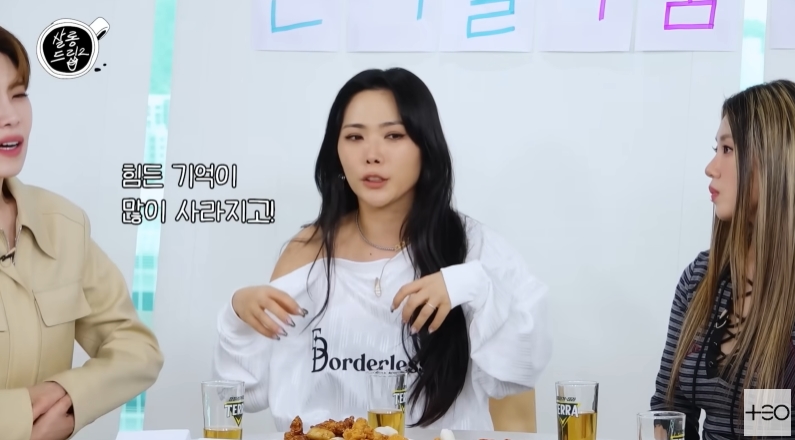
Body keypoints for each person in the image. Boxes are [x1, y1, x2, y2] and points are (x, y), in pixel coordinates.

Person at [212, 68, 552, 431]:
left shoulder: (473, 247)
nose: (372, 155)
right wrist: (237, 314)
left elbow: (517, 373)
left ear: (426, 147)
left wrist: (470, 284)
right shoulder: (305, 253)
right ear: (336, 151)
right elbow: (244, 394)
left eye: (394, 135)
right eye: (354, 137)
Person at [0, 26, 164, 440]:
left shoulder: (63, 224)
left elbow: (136, 348)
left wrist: (69, 398)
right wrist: (24, 416)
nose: (10, 116)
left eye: (18, 94)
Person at [650, 79, 795, 439]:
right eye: (716, 148)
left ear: (773, 162)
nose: (711, 167)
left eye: (727, 149)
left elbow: (770, 427)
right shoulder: (700, 278)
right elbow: (670, 409)